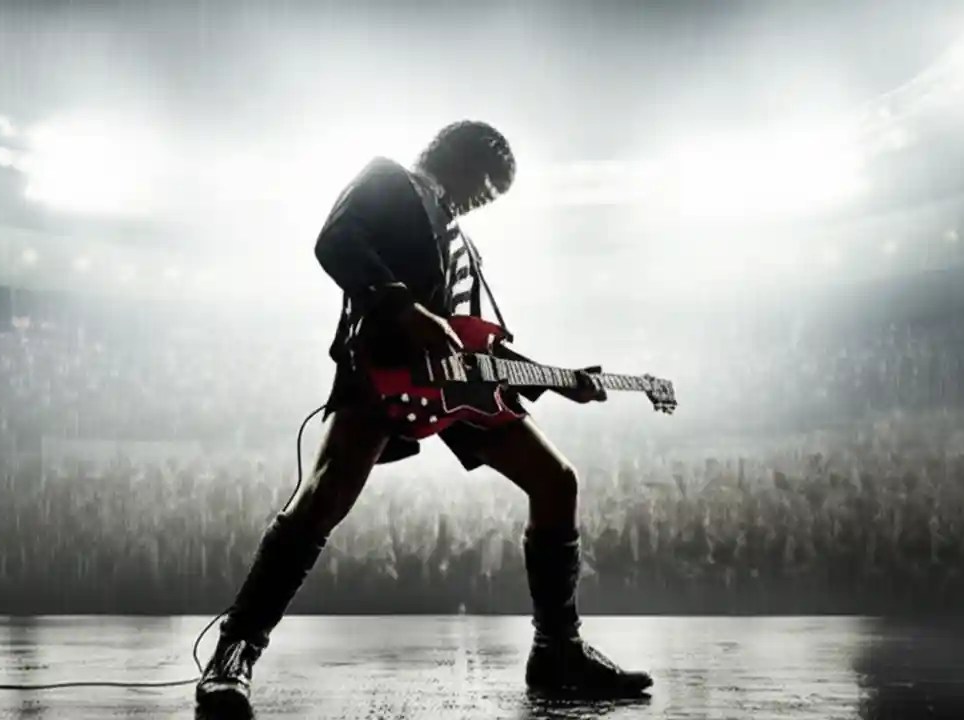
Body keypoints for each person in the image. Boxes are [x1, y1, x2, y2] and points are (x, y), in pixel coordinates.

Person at [196, 120, 653, 714]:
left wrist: (559, 380)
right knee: (322, 498)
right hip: (388, 368)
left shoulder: (464, 241)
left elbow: (476, 341)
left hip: (461, 388)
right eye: (489, 183)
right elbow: (335, 241)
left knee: (556, 480)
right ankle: (234, 653)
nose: (487, 198)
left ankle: (557, 649)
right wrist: (403, 306)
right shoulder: (390, 178)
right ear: (460, 157)